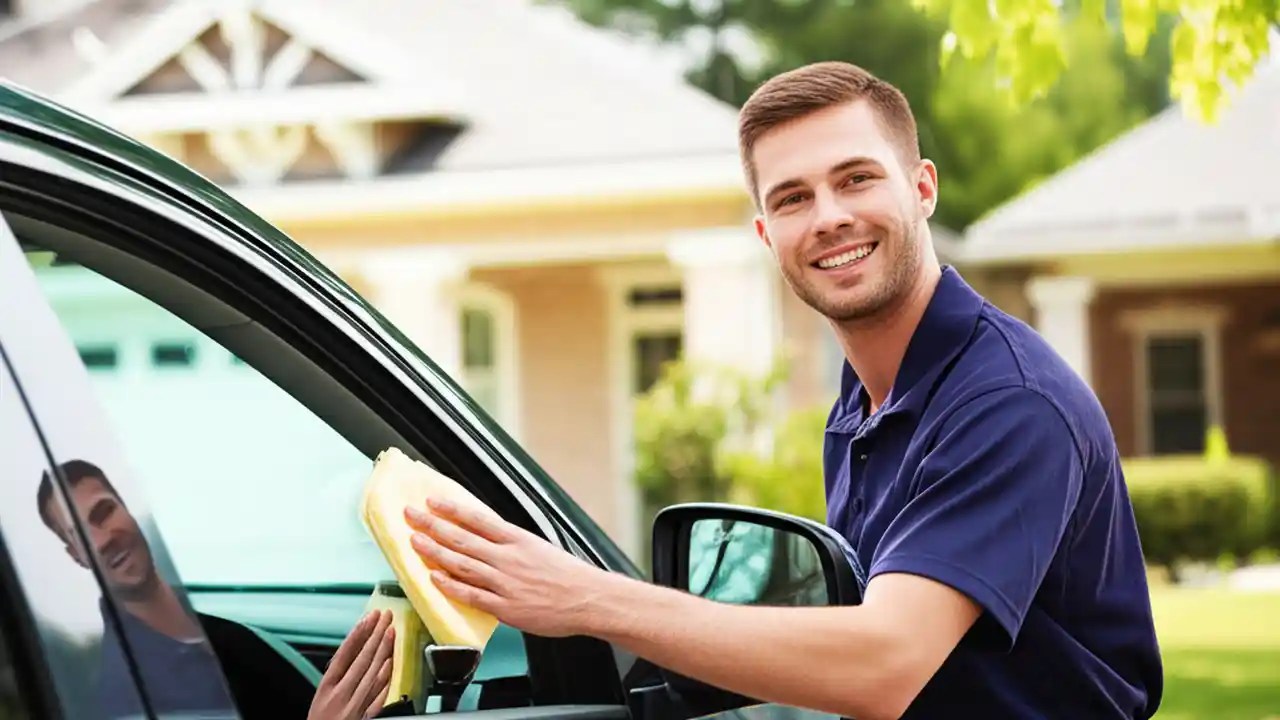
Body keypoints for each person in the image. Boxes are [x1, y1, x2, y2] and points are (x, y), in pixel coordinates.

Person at [402, 61, 1164, 719]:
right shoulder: (870, 397)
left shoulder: (1006, 400)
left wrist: (585, 598)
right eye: (793, 198)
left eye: (856, 178)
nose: (829, 217)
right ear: (767, 234)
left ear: (922, 188)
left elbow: (883, 663)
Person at [38, 459, 395, 720]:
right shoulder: (126, 693)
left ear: (129, 509)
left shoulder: (222, 635)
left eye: (104, 513)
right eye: (80, 535)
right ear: (75, 555)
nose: (102, 541)